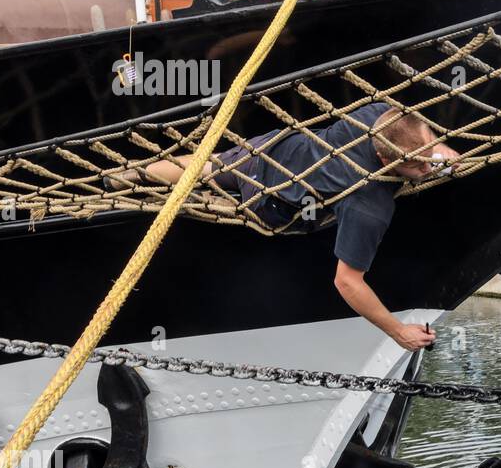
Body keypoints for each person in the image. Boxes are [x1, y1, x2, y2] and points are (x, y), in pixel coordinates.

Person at [129, 102, 458, 351]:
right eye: (420, 164)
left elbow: (416, 132)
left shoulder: (380, 115)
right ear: (387, 162)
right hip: (268, 201)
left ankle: (129, 175)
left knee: (208, 165)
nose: (429, 168)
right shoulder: (369, 202)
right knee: (213, 172)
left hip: (268, 151)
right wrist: (398, 331)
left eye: (430, 157)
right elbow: (347, 283)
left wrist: (441, 151)